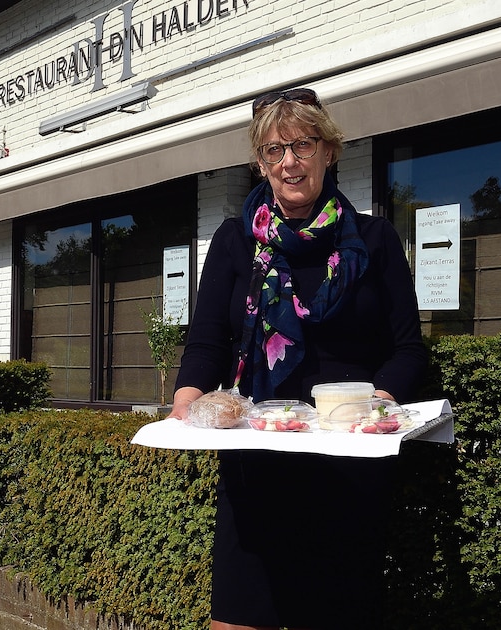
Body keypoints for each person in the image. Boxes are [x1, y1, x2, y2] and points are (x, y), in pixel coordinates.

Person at [169, 88, 427, 629]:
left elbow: (406, 349)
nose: (289, 162)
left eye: (303, 144)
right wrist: (186, 405)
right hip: (258, 464)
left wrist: (375, 405)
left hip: (348, 470)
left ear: (329, 151)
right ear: (260, 163)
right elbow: (208, 340)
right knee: (240, 618)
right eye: (273, 151)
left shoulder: (375, 240)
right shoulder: (236, 241)